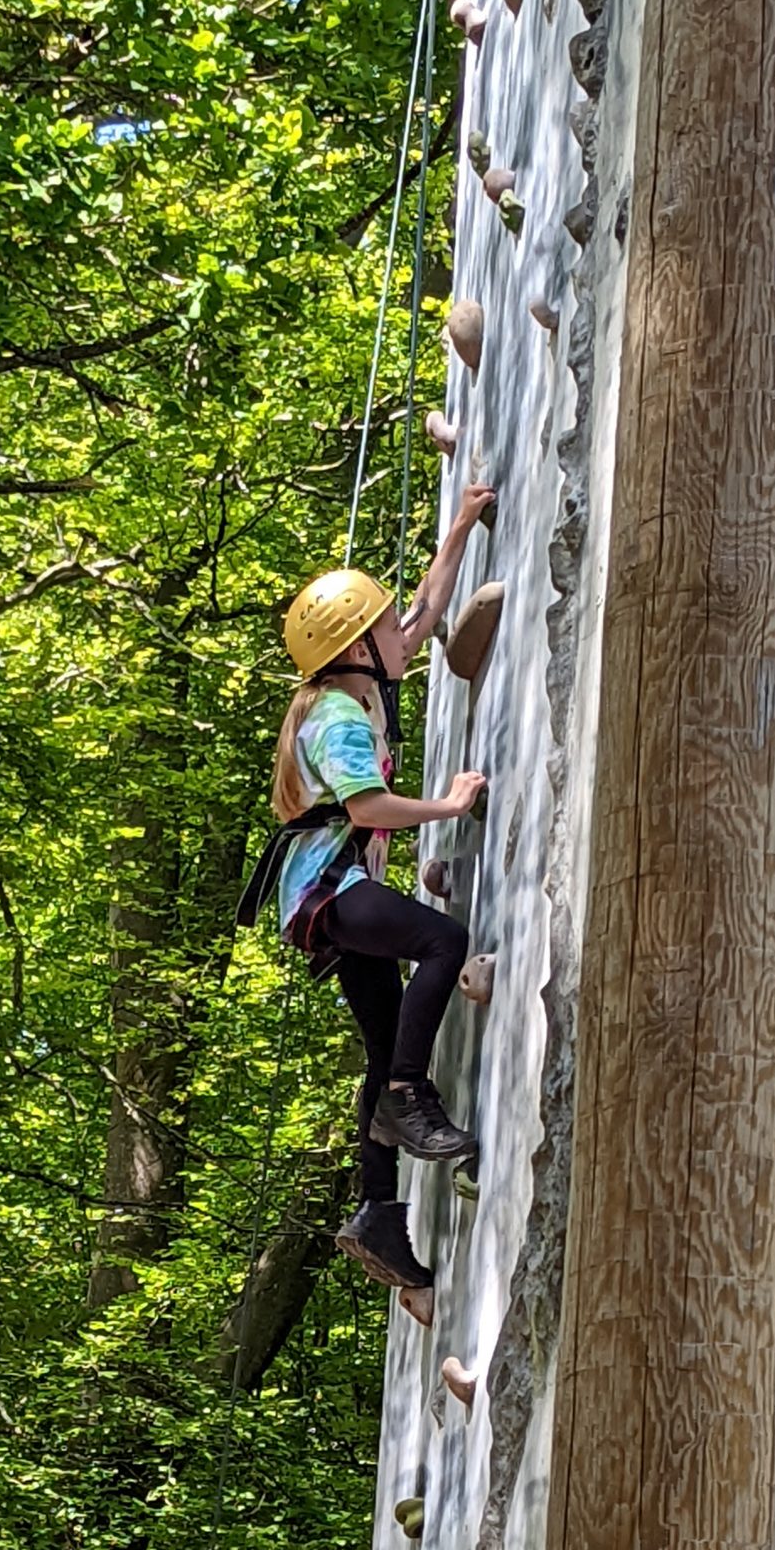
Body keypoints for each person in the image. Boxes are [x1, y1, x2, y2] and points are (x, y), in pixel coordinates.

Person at [239, 489, 497, 1294]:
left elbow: (421, 614)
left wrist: (457, 526)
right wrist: (449, 806)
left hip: (328, 897)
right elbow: (367, 808)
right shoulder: (341, 719)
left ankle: (378, 1210)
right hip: (333, 889)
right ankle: (408, 1100)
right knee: (442, 941)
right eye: (379, 629)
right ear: (355, 648)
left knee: (382, 1043)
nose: (400, 634)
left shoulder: (353, 688)